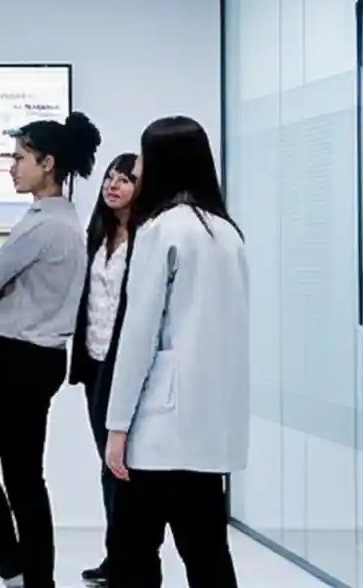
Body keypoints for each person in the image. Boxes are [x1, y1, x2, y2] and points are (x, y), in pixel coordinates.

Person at [0, 111, 101, 588]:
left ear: (48, 162)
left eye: (20, 158)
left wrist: (0, 276)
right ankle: (35, 580)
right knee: (23, 477)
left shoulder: (41, 226)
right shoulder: (62, 220)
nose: (11, 167)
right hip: (40, 359)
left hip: (18, 358)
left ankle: (17, 571)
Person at [104, 116, 248, 587]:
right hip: (209, 431)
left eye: (143, 159)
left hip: (159, 430)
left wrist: (117, 425)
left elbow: (139, 336)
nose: (137, 170)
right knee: (208, 556)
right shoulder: (228, 234)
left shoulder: (161, 231)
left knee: (133, 555)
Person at [67, 153, 139, 587]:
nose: (113, 185)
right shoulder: (97, 236)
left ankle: (129, 559)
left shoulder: (148, 239)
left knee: (124, 466)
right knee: (107, 463)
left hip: (126, 366)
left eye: (125, 179)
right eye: (110, 177)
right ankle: (118, 558)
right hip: (95, 365)